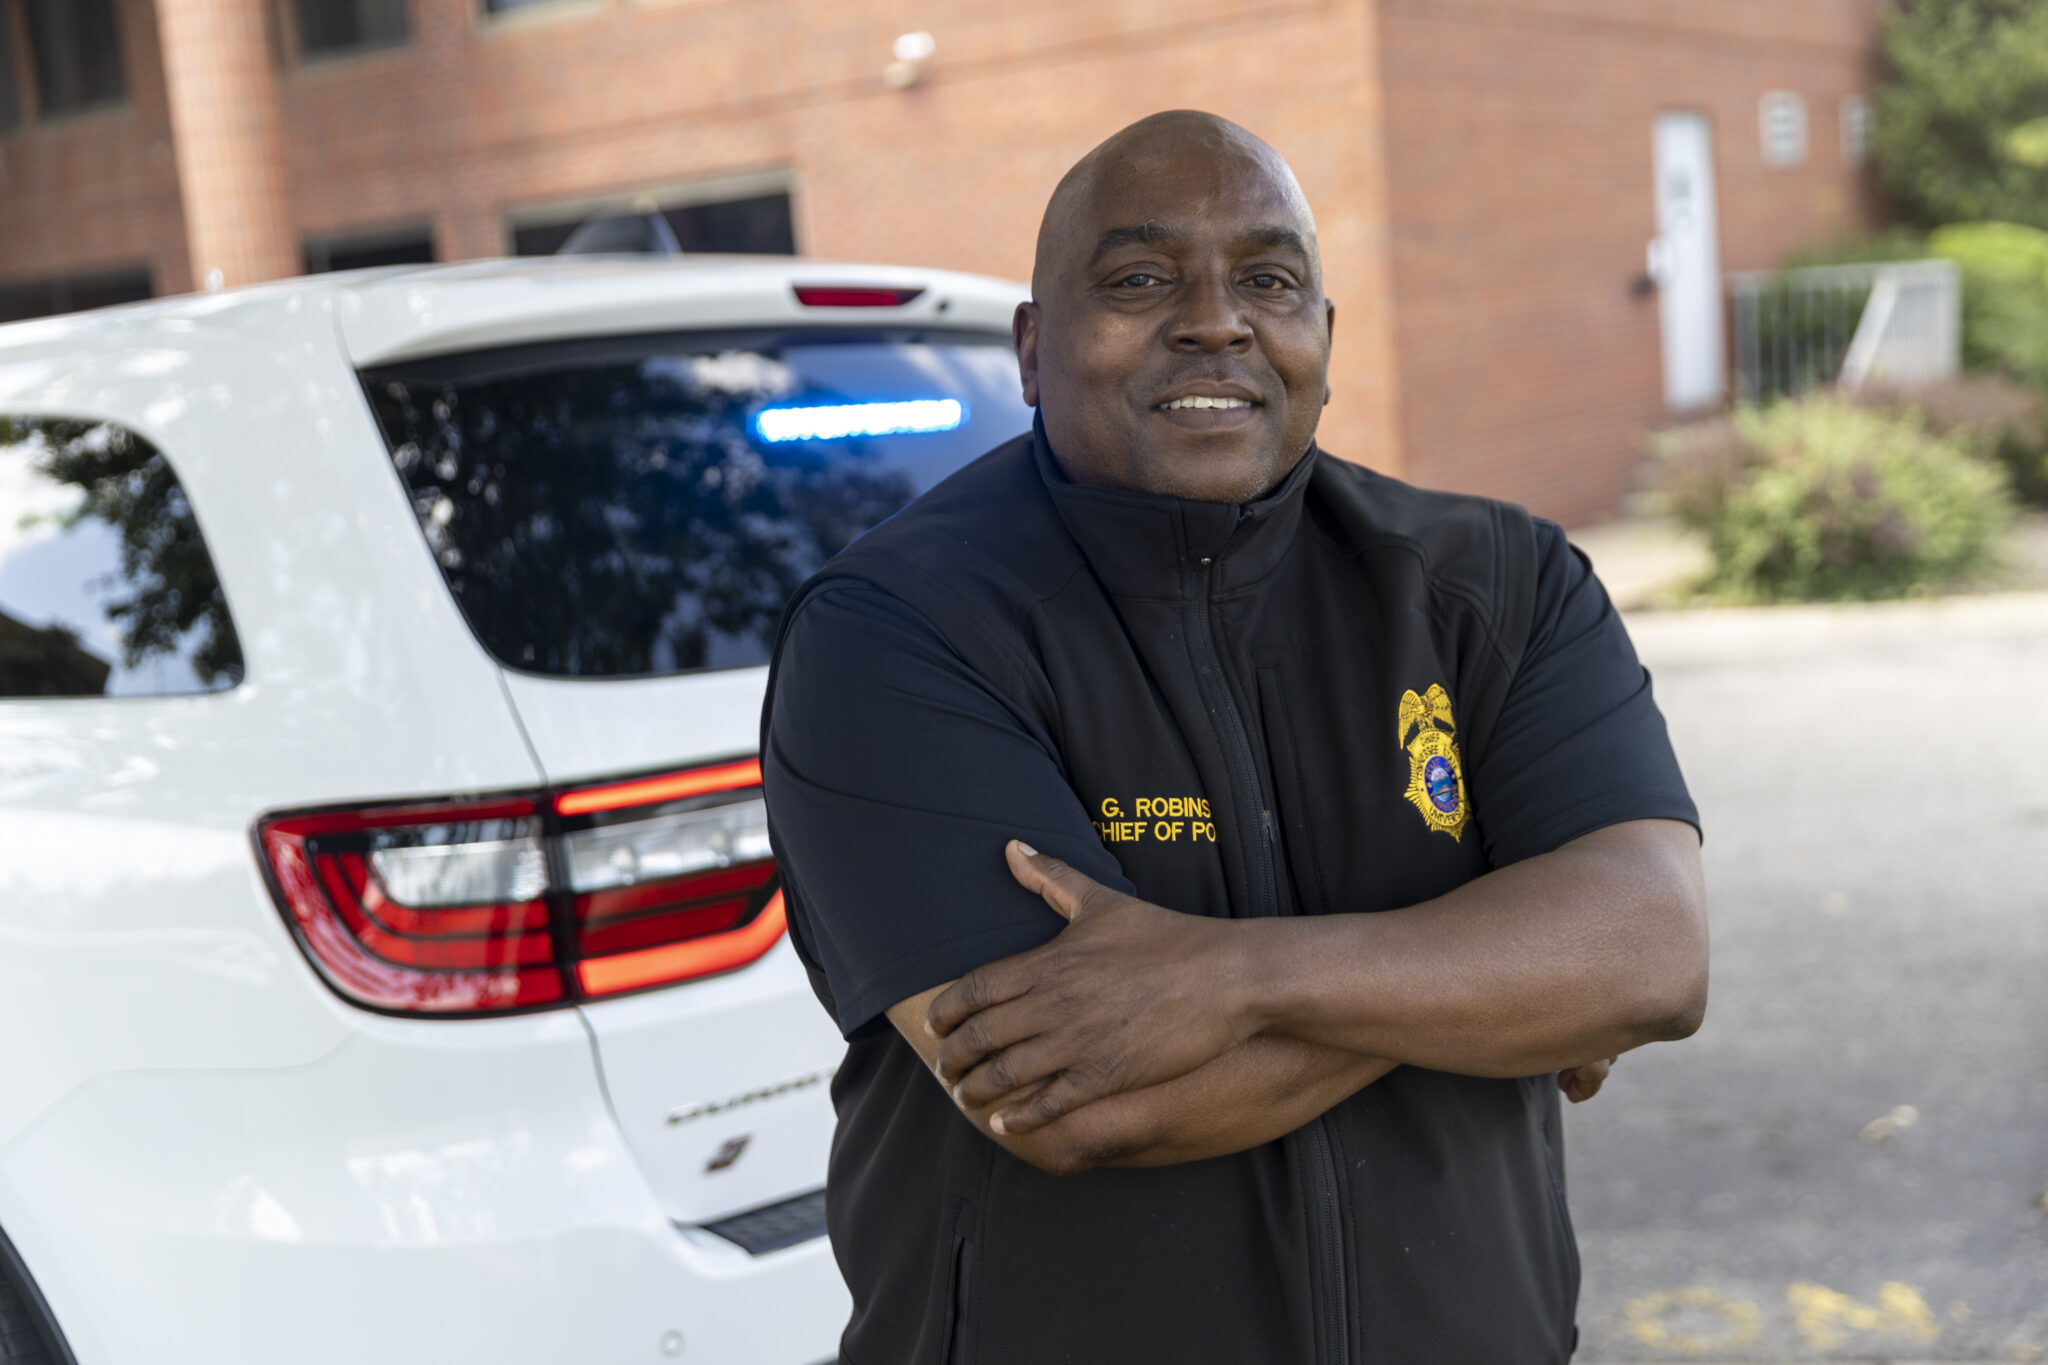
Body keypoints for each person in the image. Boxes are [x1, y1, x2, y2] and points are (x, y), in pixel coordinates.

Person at [761, 109, 1707, 1365]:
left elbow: (1646, 954)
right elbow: (1071, 1097)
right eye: (1139, 278)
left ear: (1322, 334)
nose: (1215, 319)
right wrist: (1498, 976)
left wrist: (1229, 978)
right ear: (1034, 353)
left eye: (1267, 279)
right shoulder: (900, 627)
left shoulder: (1493, 582)